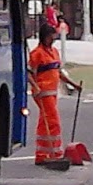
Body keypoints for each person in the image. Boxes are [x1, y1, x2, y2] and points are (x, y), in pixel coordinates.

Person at [28, 23, 80, 168]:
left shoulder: (54, 52)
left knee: (46, 121)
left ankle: (45, 154)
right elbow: (29, 73)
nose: (53, 39)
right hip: (42, 92)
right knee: (52, 122)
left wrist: (73, 84)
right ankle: (53, 154)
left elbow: (58, 72)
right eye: (51, 37)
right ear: (44, 37)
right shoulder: (37, 53)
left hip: (52, 92)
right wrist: (36, 86)